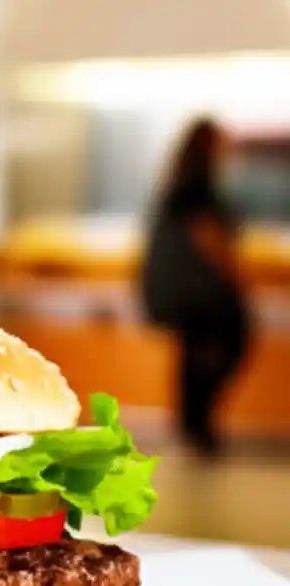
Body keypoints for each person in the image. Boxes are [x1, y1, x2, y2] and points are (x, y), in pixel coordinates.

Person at [142, 117, 250, 456]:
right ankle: (197, 424)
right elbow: (211, 241)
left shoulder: (178, 185)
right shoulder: (199, 189)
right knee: (222, 345)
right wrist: (238, 278)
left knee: (194, 354)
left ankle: (193, 424)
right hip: (204, 294)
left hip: (180, 293)